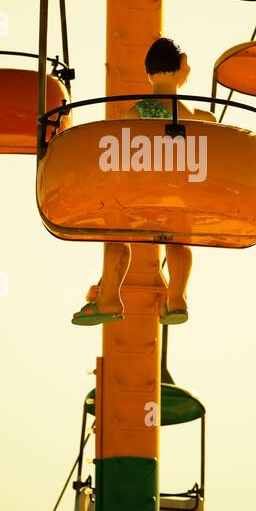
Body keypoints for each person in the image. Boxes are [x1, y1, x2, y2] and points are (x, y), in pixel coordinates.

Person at [72, 37, 215, 327]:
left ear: (148, 73)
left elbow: (118, 148)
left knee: (117, 236)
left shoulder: (137, 112)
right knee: (178, 241)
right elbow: (210, 134)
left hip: (141, 189)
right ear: (182, 70)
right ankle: (176, 299)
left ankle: (110, 297)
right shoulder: (200, 118)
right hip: (179, 192)